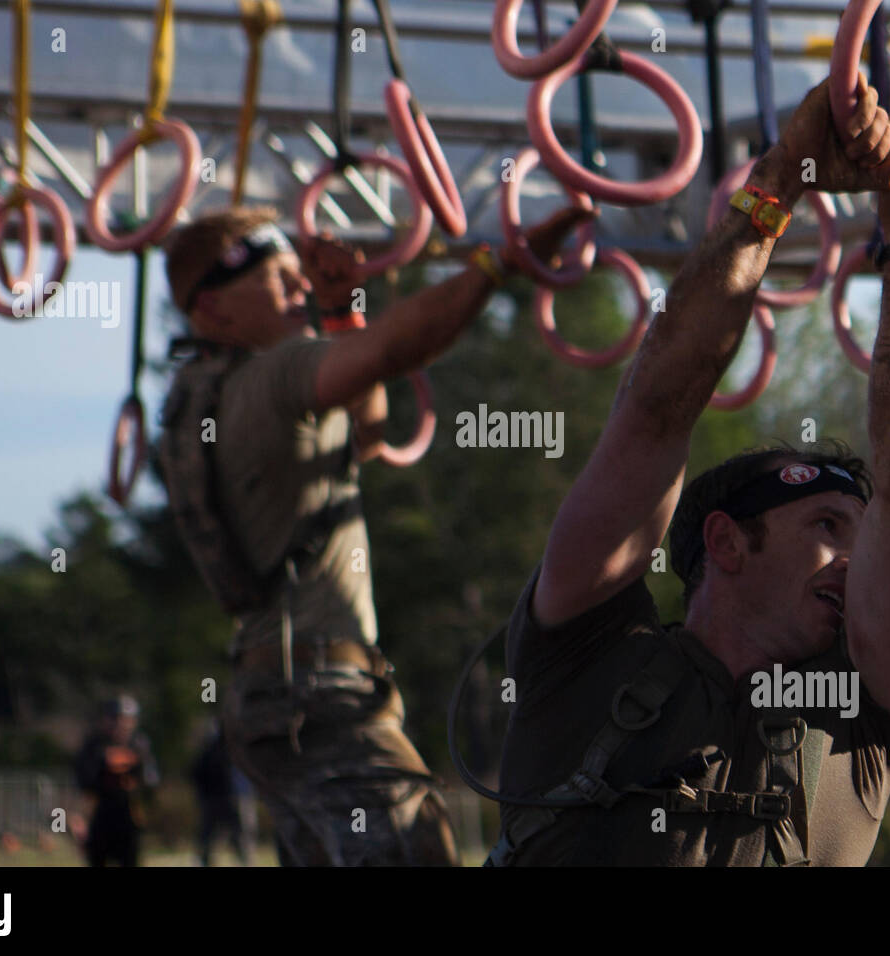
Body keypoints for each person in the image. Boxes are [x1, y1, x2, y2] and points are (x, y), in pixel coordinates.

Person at [485, 74, 890, 866]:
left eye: (858, 534)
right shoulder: (587, 647)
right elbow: (655, 413)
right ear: (728, 544)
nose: (855, 556)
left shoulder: (863, 717)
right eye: (826, 527)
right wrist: (778, 180)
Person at [158, 203, 588, 866]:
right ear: (213, 311)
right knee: (417, 851)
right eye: (280, 279)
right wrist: (499, 262)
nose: (300, 287)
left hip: (275, 695)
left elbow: (365, 429)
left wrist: (342, 313)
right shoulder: (272, 378)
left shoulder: (205, 397)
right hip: (322, 697)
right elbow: (396, 348)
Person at [72, 694, 159, 867]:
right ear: (106, 720)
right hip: (100, 816)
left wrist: (137, 767)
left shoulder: (139, 745)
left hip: (129, 817)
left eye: (127, 720)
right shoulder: (94, 745)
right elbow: (83, 781)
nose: (121, 725)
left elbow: (151, 780)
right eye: (116, 719)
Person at [191, 719, 254, 866]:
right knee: (223, 837)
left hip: (227, 799)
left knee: (238, 836)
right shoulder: (225, 751)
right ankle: (243, 861)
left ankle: (244, 860)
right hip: (223, 799)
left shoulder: (231, 751)